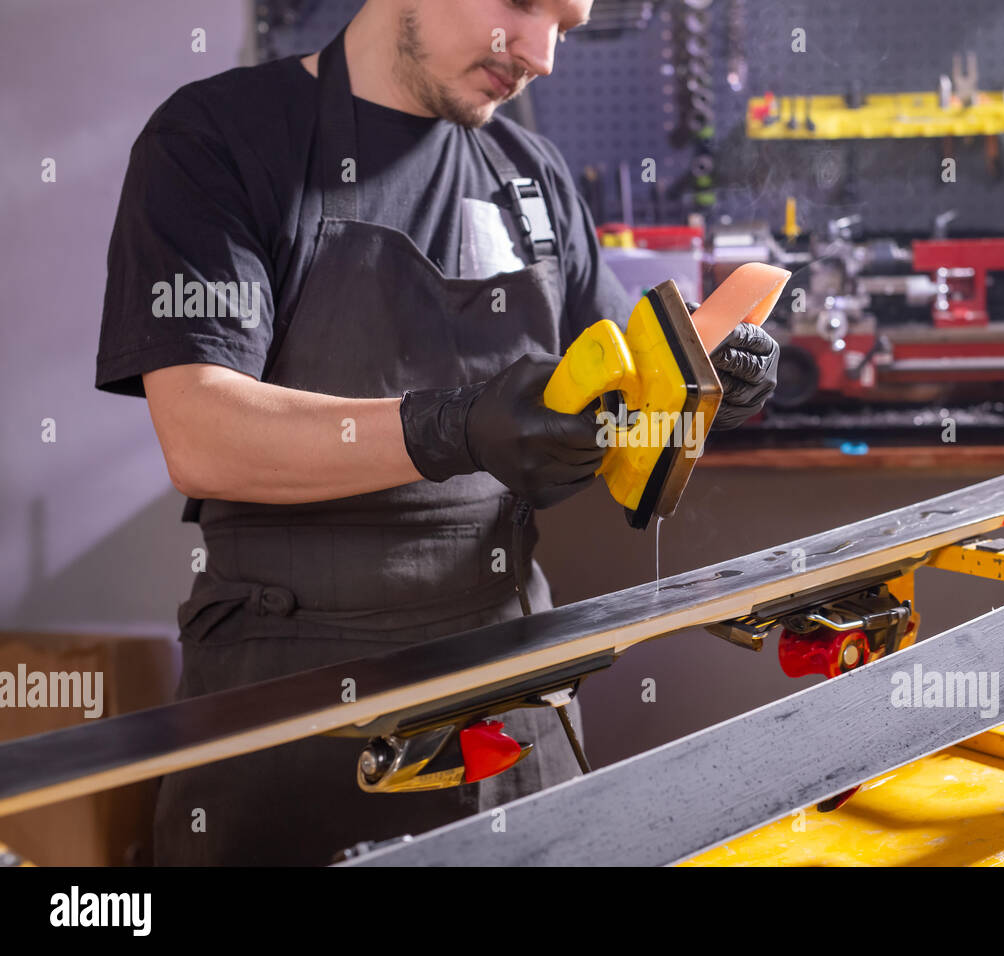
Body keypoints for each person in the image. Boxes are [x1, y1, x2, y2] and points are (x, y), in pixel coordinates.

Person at [94, 0, 779, 865]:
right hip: (295, 701)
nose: (541, 55)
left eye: (567, 26)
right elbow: (203, 432)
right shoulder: (219, 138)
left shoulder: (530, 173)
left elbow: (603, 422)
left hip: (513, 689)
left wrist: (697, 388)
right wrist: (453, 426)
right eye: (525, 6)